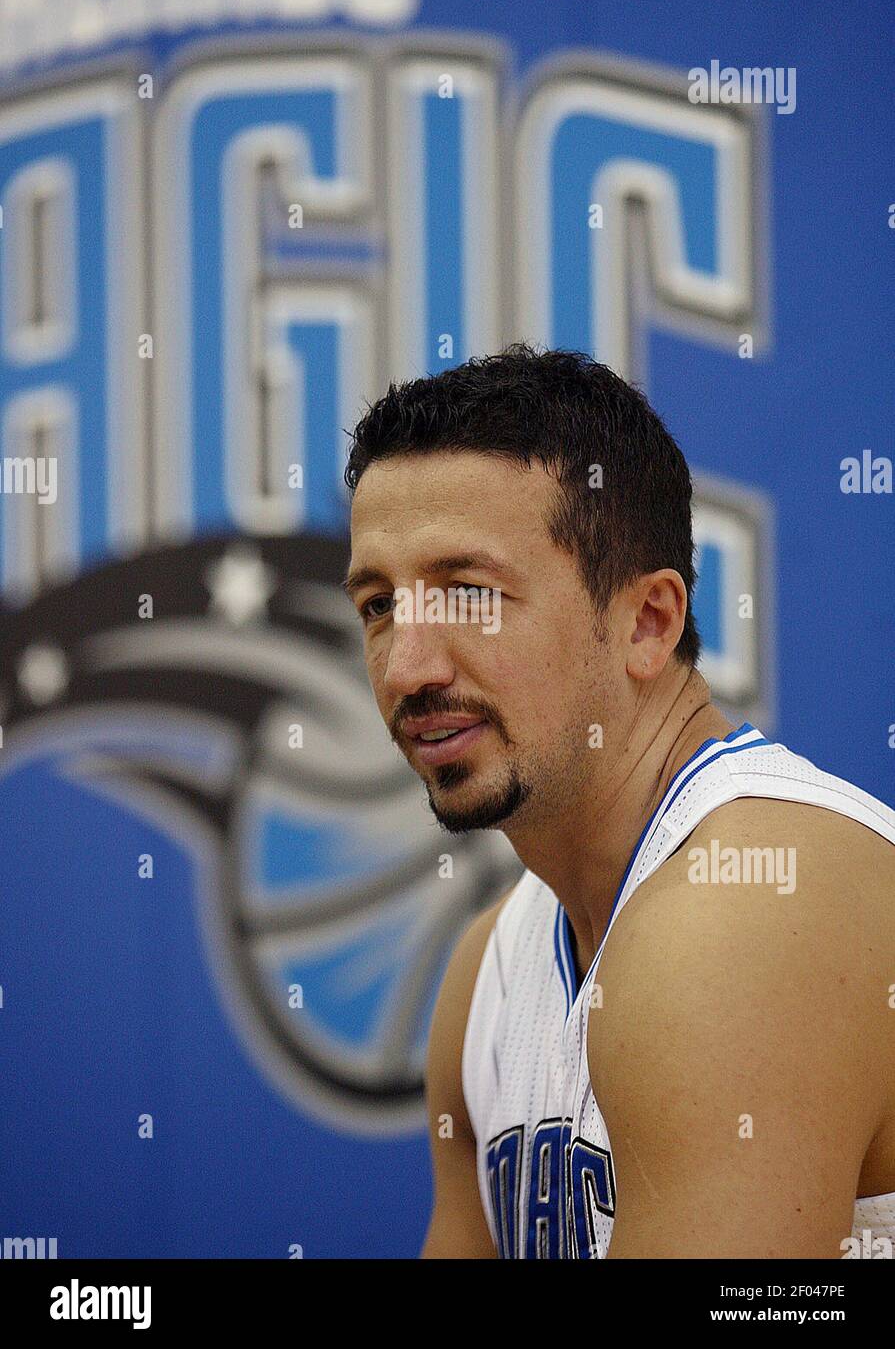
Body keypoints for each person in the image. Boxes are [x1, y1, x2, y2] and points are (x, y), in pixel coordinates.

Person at [342, 343, 895, 1259]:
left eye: (469, 595)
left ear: (647, 622)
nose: (407, 667)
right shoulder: (488, 970)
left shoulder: (743, 913)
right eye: (377, 606)